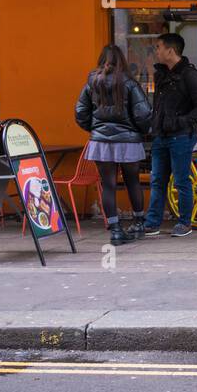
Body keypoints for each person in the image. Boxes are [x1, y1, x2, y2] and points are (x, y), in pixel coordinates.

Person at [75, 44, 153, 246]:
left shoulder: (92, 83)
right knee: (132, 182)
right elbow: (143, 114)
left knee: (108, 185)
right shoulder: (129, 83)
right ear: (122, 61)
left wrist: (94, 129)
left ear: (101, 60)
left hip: (101, 142)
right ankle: (138, 223)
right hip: (128, 141)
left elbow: (80, 112)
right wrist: (140, 131)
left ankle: (115, 230)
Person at [142, 32, 197, 238]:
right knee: (157, 180)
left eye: (158, 47)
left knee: (181, 180)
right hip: (161, 135)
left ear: (170, 51)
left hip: (181, 136)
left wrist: (179, 121)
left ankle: (184, 222)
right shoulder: (162, 74)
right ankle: (152, 223)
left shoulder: (189, 75)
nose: (156, 51)